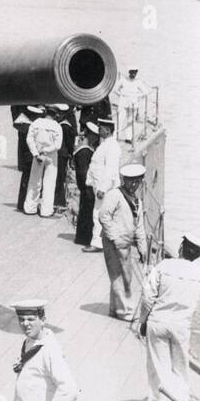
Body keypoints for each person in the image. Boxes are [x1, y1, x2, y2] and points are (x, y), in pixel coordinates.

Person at [136, 234, 200, 401]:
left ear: (181, 247)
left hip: (158, 322)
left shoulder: (164, 266)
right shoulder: (198, 274)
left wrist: (143, 321)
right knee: (180, 368)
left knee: (159, 366)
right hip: (182, 326)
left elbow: (148, 297)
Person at [97, 163, 147, 320]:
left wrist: (142, 247)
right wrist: (115, 237)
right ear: (124, 180)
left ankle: (115, 309)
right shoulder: (114, 195)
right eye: (131, 181)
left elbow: (139, 226)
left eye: (137, 182)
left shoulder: (137, 201)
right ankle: (124, 311)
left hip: (126, 242)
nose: (134, 185)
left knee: (125, 275)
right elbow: (103, 216)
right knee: (119, 275)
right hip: (113, 241)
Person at [87, 117, 121, 252]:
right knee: (103, 214)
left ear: (107, 130)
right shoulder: (106, 144)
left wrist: (102, 188)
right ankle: (103, 242)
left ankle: (97, 243)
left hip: (105, 187)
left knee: (99, 214)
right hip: (100, 185)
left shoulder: (112, 147)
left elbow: (111, 170)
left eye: (100, 127)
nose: (98, 129)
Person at [23, 108, 63, 217]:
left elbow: (29, 140)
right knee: (49, 182)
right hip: (51, 156)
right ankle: (46, 210)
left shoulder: (36, 123)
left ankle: (30, 208)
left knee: (34, 181)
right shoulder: (57, 126)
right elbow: (58, 145)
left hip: (38, 154)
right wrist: (46, 150)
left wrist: (36, 153)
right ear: (55, 114)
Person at [70, 121, 99, 247]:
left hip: (84, 186)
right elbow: (83, 172)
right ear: (90, 135)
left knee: (84, 210)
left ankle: (82, 237)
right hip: (87, 186)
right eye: (94, 136)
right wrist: (87, 186)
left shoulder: (81, 149)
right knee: (87, 212)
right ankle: (85, 238)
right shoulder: (85, 151)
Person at [50, 104, 76, 213]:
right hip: (63, 154)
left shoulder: (60, 125)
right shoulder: (66, 125)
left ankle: (57, 201)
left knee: (57, 178)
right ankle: (59, 202)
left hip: (58, 154)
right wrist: (71, 154)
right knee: (60, 178)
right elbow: (70, 143)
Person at [112, 66, 147, 140]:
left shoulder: (138, 82)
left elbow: (145, 92)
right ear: (129, 72)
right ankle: (115, 137)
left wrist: (137, 95)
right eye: (132, 72)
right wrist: (121, 94)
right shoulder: (123, 80)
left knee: (130, 121)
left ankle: (129, 138)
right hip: (123, 103)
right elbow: (115, 89)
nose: (133, 74)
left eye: (135, 72)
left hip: (133, 104)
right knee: (120, 120)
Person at [11, 104, 35, 175]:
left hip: (22, 120)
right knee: (25, 143)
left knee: (23, 143)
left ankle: (22, 164)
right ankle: (24, 164)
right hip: (24, 120)